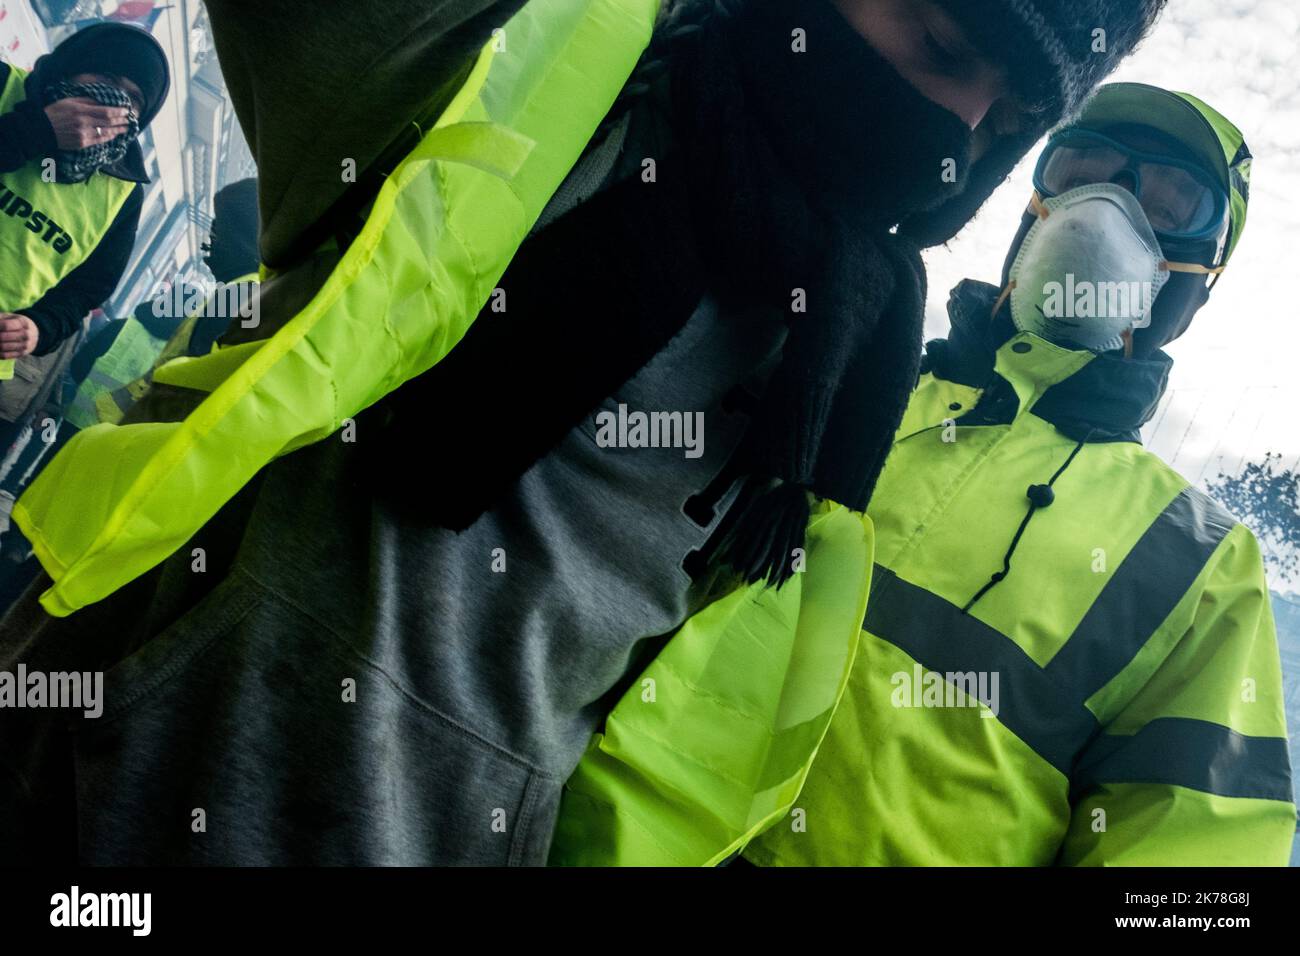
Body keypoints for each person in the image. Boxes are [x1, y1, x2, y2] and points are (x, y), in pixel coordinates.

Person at [0, 0, 1166, 865]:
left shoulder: (847, 369)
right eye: (944, 49)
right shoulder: (511, 65)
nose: (956, 123)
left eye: (1005, 112)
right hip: (79, 787)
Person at [734, 83, 1296, 867]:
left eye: (1169, 203)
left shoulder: (1200, 566)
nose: (1106, 208)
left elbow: (1193, 870)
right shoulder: (840, 381)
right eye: (1081, 171)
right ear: (1031, 202)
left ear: (1201, 281)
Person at [0, 22, 170, 440]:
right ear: (72, 67)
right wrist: (36, 130)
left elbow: (87, 289)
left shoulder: (122, 192)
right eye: (106, 80)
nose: (113, 102)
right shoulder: (5, 87)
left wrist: (39, 327)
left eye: (132, 99)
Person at [61, 177, 260, 432]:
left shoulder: (241, 295)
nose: (209, 244)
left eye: (217, 231)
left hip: (110, 429)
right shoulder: (239, 294)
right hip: (122, 431)